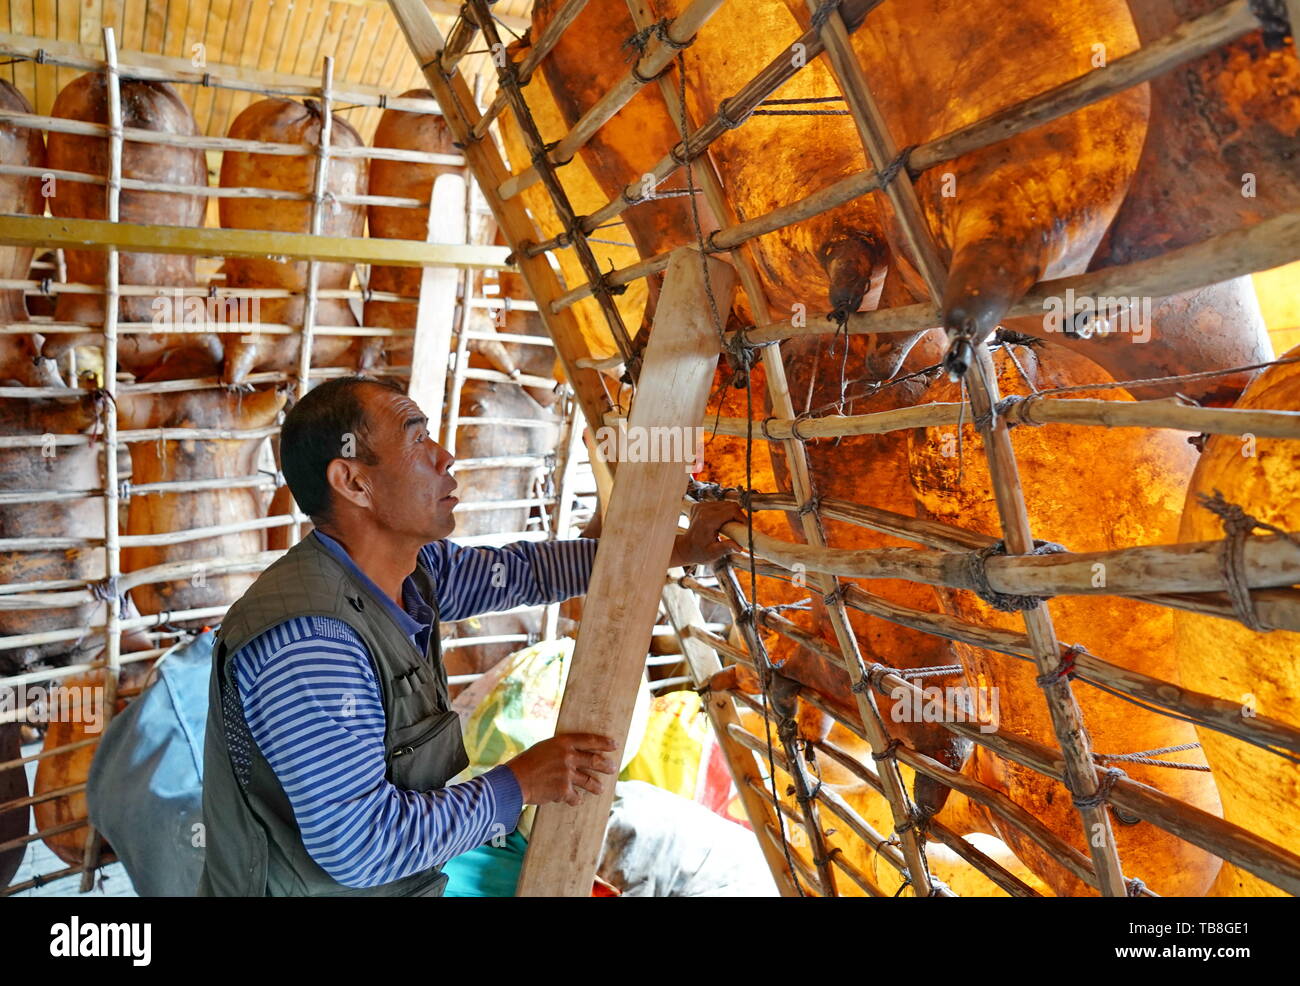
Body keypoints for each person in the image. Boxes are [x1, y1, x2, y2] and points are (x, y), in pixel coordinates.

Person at [196, 375, 741, 896]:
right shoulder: (313, 642)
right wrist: (518, 784)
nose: (444, 457)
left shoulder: (414, 572)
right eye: (417, 439)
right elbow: (360, 844)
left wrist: (680, 548)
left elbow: (533, 571)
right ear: (354, 482)